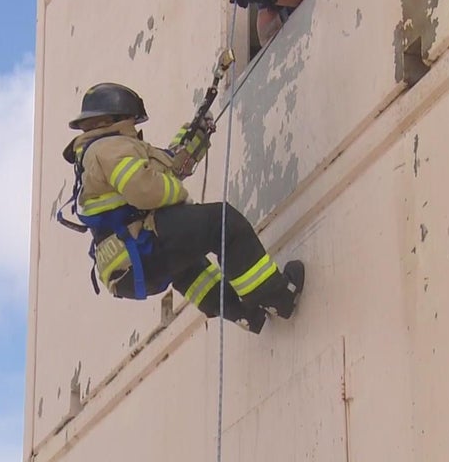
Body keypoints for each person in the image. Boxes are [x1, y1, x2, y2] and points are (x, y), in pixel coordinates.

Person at [58, 82, 305, 334]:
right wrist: (181, 197)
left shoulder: (97, 153)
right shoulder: (109, 147)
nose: (134, 128)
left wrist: (193, 138)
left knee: (188, 268)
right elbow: (145, 189)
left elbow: (163, 168)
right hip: (141, 248)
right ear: (113, 119)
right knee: (222, 223)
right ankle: (277, 297)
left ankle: (246, 314)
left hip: (128, 270)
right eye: (132, 121)